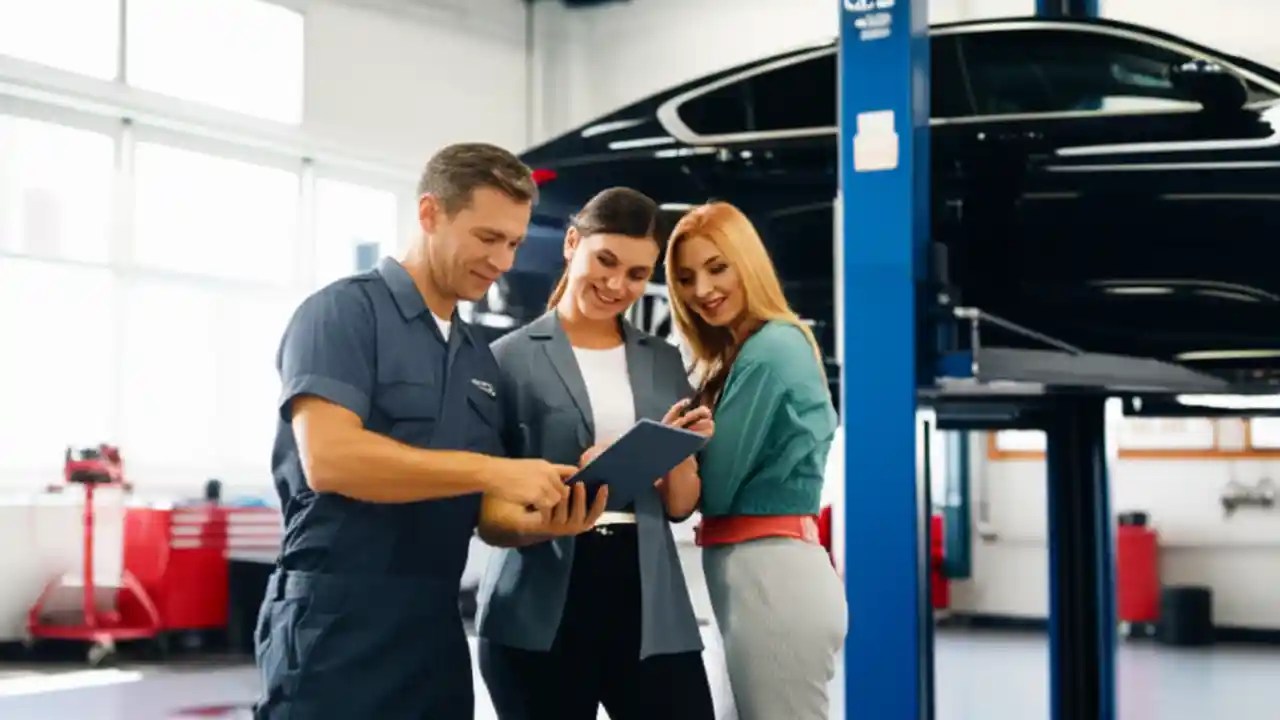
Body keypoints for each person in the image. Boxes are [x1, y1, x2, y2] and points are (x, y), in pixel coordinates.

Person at [253, 143, 576, 720]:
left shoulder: (479, 357)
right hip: (335, 622)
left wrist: (544, 520)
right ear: (430, 214)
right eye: (486, 237)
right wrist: (495, 470)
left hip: (435, 628)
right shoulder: (341, 314)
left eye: (514, 243)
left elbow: (485, 514)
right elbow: (331, 459)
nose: (503, 261)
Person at [474, 187, 718, 720]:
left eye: (636, 274)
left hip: (648, 592)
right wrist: (566, 489)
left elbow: (679, 506)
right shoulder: (506, 359)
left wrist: (676, 450)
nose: (616, 284)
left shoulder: (662, 361)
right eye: (605, 260)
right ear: (571, 244)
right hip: (540, 598)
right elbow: (488, 509)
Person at [665, 201, 848, 720]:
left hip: (772, 578)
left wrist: (663, 452)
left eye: (717, 267)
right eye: (686, 277)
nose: (702, 289)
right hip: (760, 576)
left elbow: (716, 490)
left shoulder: (770, 350)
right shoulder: (743, 353)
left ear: (748, 261)